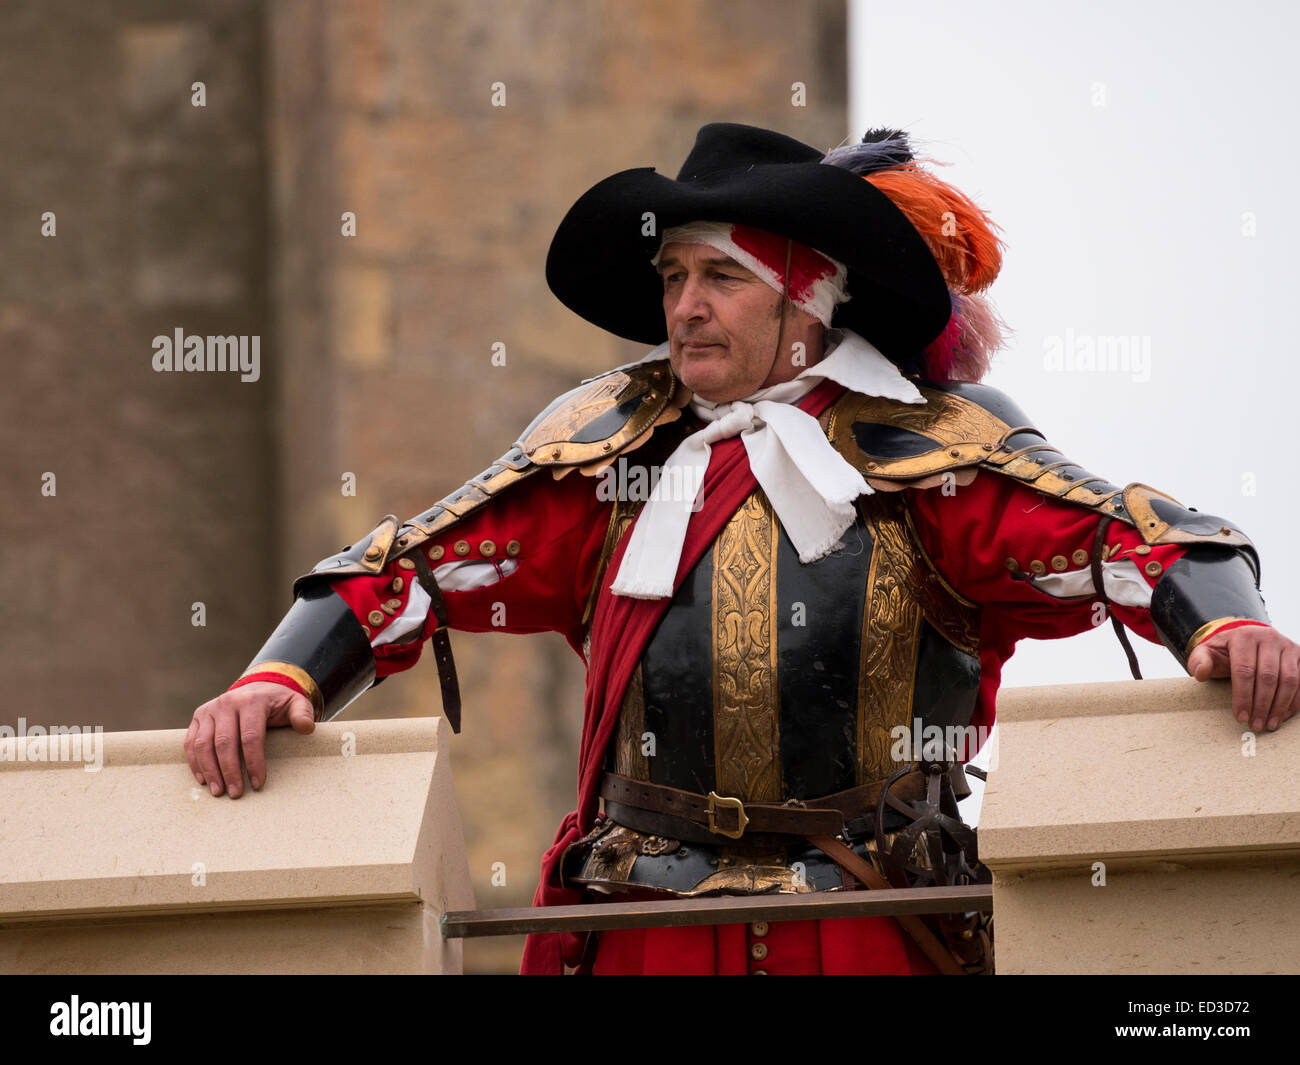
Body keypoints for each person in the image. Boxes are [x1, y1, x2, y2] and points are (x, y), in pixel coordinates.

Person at [185, 122, 1296, 975]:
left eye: (720, 278)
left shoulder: (930, 450)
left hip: (865, 919)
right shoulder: (607, 447)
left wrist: (1228, 629)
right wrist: (280, 680)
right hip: (639, 920)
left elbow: (1146, 540)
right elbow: (408, 567)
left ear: (807, 300)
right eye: (671, 279)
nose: (683, 308)